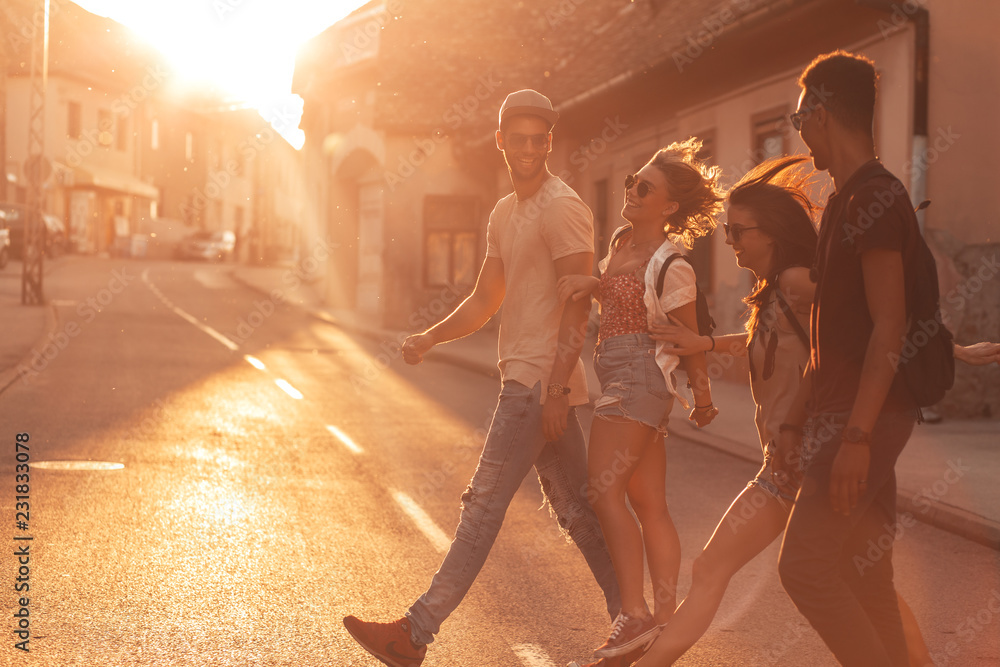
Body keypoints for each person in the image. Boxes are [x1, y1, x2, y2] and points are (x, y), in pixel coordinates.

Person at [342, 89, 620, 667]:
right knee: (578, 514)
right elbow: (484, 299)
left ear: (549, 142)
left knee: (483, 506)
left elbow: (578, 307)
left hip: (538, 386)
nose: (526, 148)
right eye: (515, 138)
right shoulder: (504, 214)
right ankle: (636, 618)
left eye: (537, 139)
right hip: (531, 384)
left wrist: (559, 387)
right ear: (500, 141)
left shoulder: (562, 207)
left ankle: (413, 634)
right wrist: (431, 337)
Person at [630, 156, 939, 667]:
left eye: (738, 231)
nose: (730, 241)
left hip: (799, 464)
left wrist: (942, 344)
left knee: (714, 569)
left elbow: (865, 312)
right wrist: (704, 341)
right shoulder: (778, 291)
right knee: (866, 581)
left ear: (771, 233)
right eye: (727, 229)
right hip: (791, 457)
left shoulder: (798, 281)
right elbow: (766, 340)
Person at [771, 50, 938, 666]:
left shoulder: (876, 199)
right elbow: (831, 333)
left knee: (806, 569)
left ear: (820, 110)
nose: (797, 129)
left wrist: (858, 437)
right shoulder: (844, 200)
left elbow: (889, 325)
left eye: (797, 117)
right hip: (844, 414)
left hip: (865, 417)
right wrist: (793, 420)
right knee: (864, 577)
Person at [558, 138, 722, 666]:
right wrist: (594, 282)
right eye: (632, 181)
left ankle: (633, 615)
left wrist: (701, 393)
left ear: (670, 206)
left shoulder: (672, 262)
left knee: (602, 493)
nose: (632, 190)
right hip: (619, 374)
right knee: (649, 502)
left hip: (640, 379)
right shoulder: (623, 241)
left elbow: (689, 335)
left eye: (644, 187)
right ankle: (666, 620)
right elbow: (623, 294)